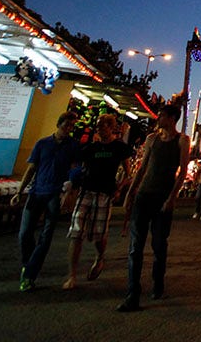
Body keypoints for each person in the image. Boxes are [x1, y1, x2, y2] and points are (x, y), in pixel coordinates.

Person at [117, 103, 190, 312]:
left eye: (163, 115)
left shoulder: (182, 141)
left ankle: (158, 285)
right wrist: (130, 193)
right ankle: (133, 293)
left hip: (162, 198)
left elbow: (183, 171)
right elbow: (142, 168)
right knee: (135, 246)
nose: (159, 118)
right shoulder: (152, 139)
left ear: (173, 118)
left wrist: (172, 198)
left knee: (159, 244)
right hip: (144, 195)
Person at [11, 112, 79, 292]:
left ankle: (29, 275)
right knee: (25, 233)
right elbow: (32, 168)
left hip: (55, 195)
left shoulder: (73, 146)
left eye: (72, 126)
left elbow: (74, 169)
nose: (69, 129)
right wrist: (19, 190)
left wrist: (69, 191)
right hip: (36, 192)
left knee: (45, 237)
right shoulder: (42, 144)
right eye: (67, 125)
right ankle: (28, 263)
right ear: (59, 124)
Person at [63, 112, 131, 290]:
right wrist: (71, 191)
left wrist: (119, 188)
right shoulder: (90, 148)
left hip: (104, 193)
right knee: (76, 232)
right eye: (98, 125)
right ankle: (72, 275)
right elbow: (78, 169)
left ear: (111, 127)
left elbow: (128, 173)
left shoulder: (119, 148)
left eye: (103, 125)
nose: (100, 128)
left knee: (98, 234)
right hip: (86, 191)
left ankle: (100, 258)